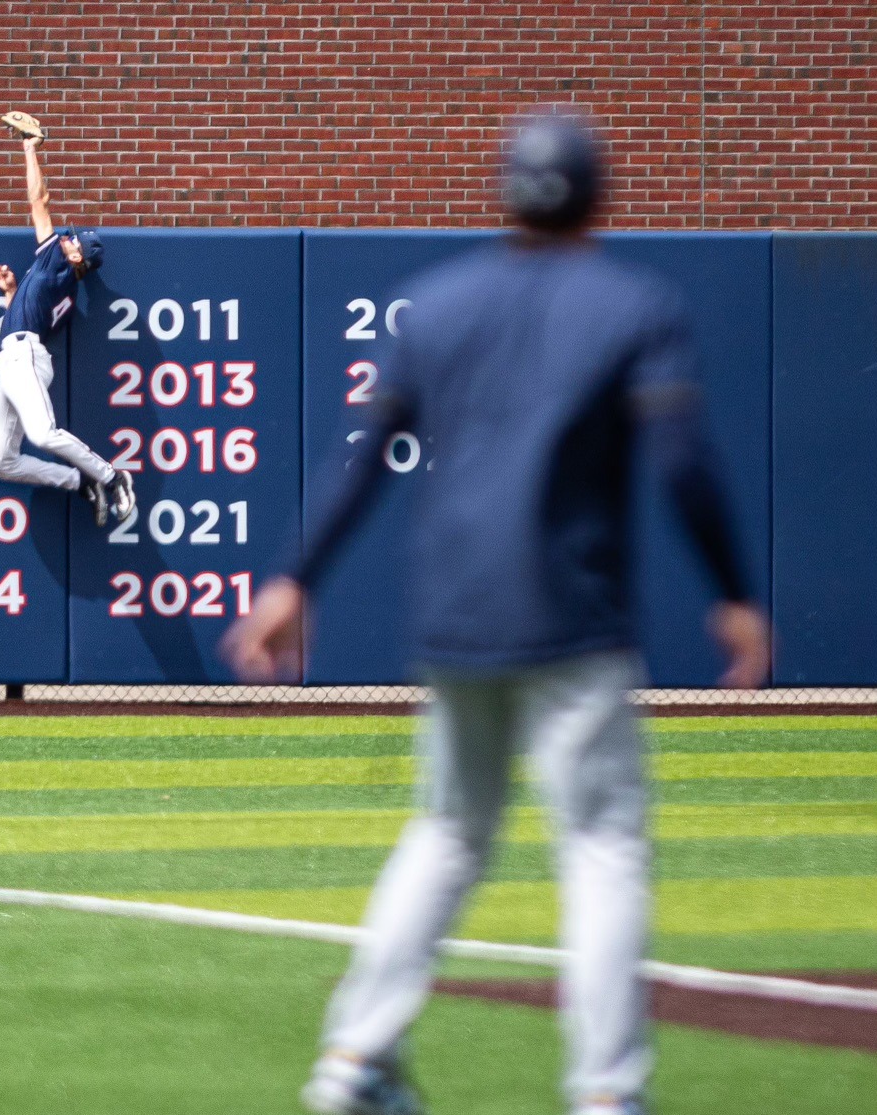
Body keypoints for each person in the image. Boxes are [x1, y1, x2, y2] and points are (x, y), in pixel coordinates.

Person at [220, 112, 772, 1115]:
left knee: (444, 835)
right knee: (600, 845)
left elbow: (360, 461)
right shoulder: (632, 303)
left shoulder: (432, 305)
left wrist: (293, 575)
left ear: (502, 196)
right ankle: (604, 1090)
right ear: (598, 199)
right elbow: (681, 463)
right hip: (573, 616)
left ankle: (352, 1059)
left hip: (456, 616)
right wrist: (734, 593)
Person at [0, 110, 137, 526]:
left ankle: (111, 476)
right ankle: (78, 480)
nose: (67, 237)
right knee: (1, 461)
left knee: (42, 434)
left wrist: (29, 149)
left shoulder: (58, 263)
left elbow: (39, 201)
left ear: (77, 256)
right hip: (17, 357)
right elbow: (28, 322)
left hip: (23, 359)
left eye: (74, 240)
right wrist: (13, 294)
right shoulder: (62, 289)